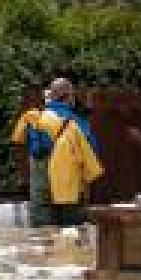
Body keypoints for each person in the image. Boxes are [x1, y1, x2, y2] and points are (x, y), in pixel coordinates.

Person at [10, 77, 102, 227]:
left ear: (51, 96)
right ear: (68, 96)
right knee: (71, 230)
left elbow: (18, 143)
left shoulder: (34, 118)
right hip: (67, 186)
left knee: (42, 230)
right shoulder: (76, 121)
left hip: (40, 181)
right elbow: (91, 150)